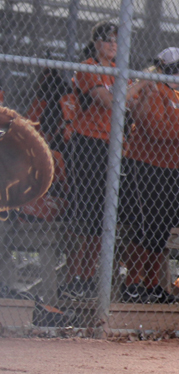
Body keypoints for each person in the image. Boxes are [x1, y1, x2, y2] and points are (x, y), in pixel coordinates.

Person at [118, 48, 179, 303]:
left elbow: (177, 133)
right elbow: (154, 128)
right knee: (144, 226)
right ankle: (132, 284)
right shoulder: (153, 90)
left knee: (161, 229)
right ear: (171, 69)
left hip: (170, 169)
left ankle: (152, 285)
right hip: (146, 165)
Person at [61, 21, 144, 300]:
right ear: (96, 43)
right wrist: (140, 84)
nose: (113, 45)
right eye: (108, 40)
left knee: (103, 217)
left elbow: (132, 103)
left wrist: (135, 89)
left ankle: (86, 277)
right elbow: (110, 101)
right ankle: (74, 277)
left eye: (117, 41)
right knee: (87, 214)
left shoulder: (120, 73)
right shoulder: (89, 66)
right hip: (88, 144)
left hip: (113, 145)